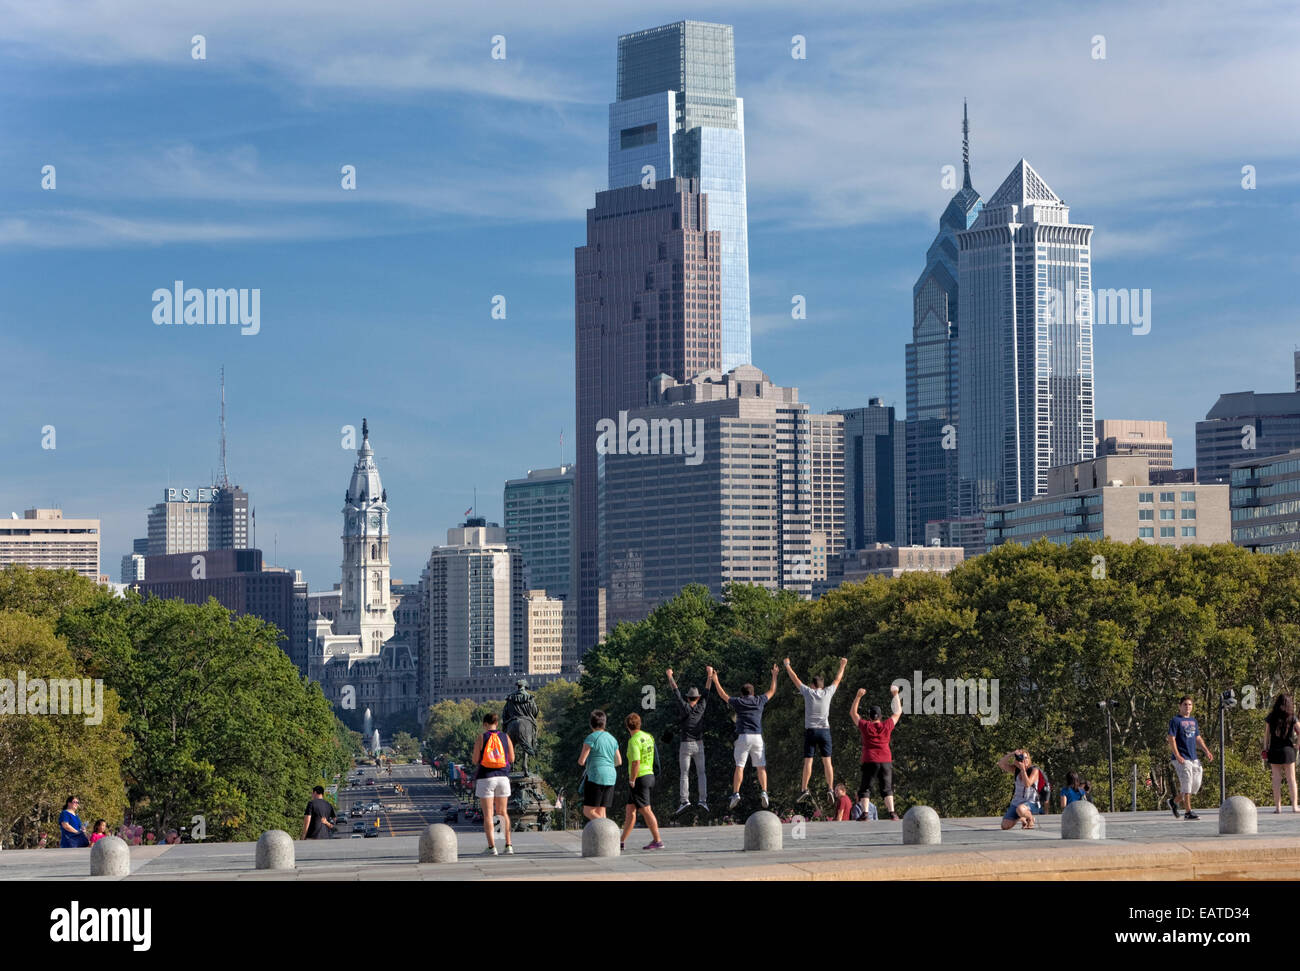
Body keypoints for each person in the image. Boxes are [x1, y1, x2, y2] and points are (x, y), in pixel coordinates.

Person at [708, 664, 779, 811]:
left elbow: (723, 695)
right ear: (753, 693)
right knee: (761, 767)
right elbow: (772, 691)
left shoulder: (739, 702)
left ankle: (736, 793)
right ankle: (764, 791)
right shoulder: (759, 700)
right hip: (757, 738)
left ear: (742, 694)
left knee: (739, 766)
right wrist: (774, 675)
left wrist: (715, 680)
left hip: (743, 737)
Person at [785, 656, 847, 803]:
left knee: (808, 762)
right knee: (827, 762)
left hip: (811, 731)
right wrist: (842, 665)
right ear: (822, 685)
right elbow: (838, 679)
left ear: (813, 685)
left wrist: (787, 665)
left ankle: (804, 789)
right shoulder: (828, 692)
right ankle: (830, 789)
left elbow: (795, 679)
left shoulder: (808, 692)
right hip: (825, 731)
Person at [850, 685, 902, 820]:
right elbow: (898, 712)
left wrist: (858, 696)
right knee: (887, 788)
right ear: (880, 716)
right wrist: (895, 694)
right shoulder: (887, 725)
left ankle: (865, 813)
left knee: (865, 788)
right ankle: (892, 813)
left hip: (869, 759)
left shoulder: (865, 726)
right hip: (885, 759)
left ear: (869, 716)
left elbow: (853, 713)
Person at [471, 711, 515, 855]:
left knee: (488, 815)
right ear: (497, 723)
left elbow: (475, 760)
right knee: (502, 813)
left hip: (486, 778)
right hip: (503, 778)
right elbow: (512, 758)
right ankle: (508, 845)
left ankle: (492, 847)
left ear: (485, 724)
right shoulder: (505, 737)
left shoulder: (481, 737)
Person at [666, 668, 708, 815]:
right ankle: (703, 800)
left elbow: (675, 691)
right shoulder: (701, 707)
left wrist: (670, 676)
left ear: (688, 698)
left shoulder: (684, 707)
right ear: (698, 697)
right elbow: (708, 692)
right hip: (699, 744)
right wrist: (709, 675)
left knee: (684, 773)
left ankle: (685, 800)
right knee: (701, 773)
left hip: (685, 744)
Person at [620, 713, 664, 850]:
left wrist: (632, 779)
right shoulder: (648, 737)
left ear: (627, 726)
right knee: (630, 810)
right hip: (649, 774)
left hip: (640, 777)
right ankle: (620, 842)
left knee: (646, 810)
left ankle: (658, 840)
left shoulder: (634, 740)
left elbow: (636, 762)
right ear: (640, 724)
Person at [1167, 695, 1213, 820]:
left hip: (1193, 757)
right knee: (1187, 783)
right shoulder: (1175, 721)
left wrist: (1206, 751)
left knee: (1195, 785)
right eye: (1185, 704)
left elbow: (1197, 737)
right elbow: (1171, 738)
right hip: (1181, 758)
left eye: (1190, 705)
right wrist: (1177, 755)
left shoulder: (1193, 721)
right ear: (1180, 706)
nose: (1187, 707)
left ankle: (1174, 801)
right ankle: (1188, 812)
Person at [578, 709, 622, 822]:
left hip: (595, 776)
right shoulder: (612, 739)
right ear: (604, 723)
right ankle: (606, 838)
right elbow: (619, 761)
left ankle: (610, 828)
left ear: (591, 723)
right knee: (601, 811)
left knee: (588, 811)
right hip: (611, 776)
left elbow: (582, 761)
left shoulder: (591, 738)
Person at [1262, 693, 1298, 813]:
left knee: (1276, 778)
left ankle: (1278, 807)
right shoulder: (1292, 717)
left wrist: (1265, 748)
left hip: (1274, 749)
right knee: (1291, 779)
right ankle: (1294, 806)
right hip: (1288, 749)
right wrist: (1297, 745)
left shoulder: (1271, 716)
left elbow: (1266, 734)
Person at [998, 749, 1043, 830]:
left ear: (1029, 759)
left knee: (1020, 809)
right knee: (1005, 826)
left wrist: (1023, 770)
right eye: (1022, 758)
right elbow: (1001, 764)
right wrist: (1012, 754)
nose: (1024, 760)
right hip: (1017, 803)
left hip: (1031, 803)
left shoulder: (1034, 770)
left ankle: (1030, 818)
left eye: (1026, 758)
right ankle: (1022, 818)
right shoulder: (1016, 770)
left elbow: (1027, 784)